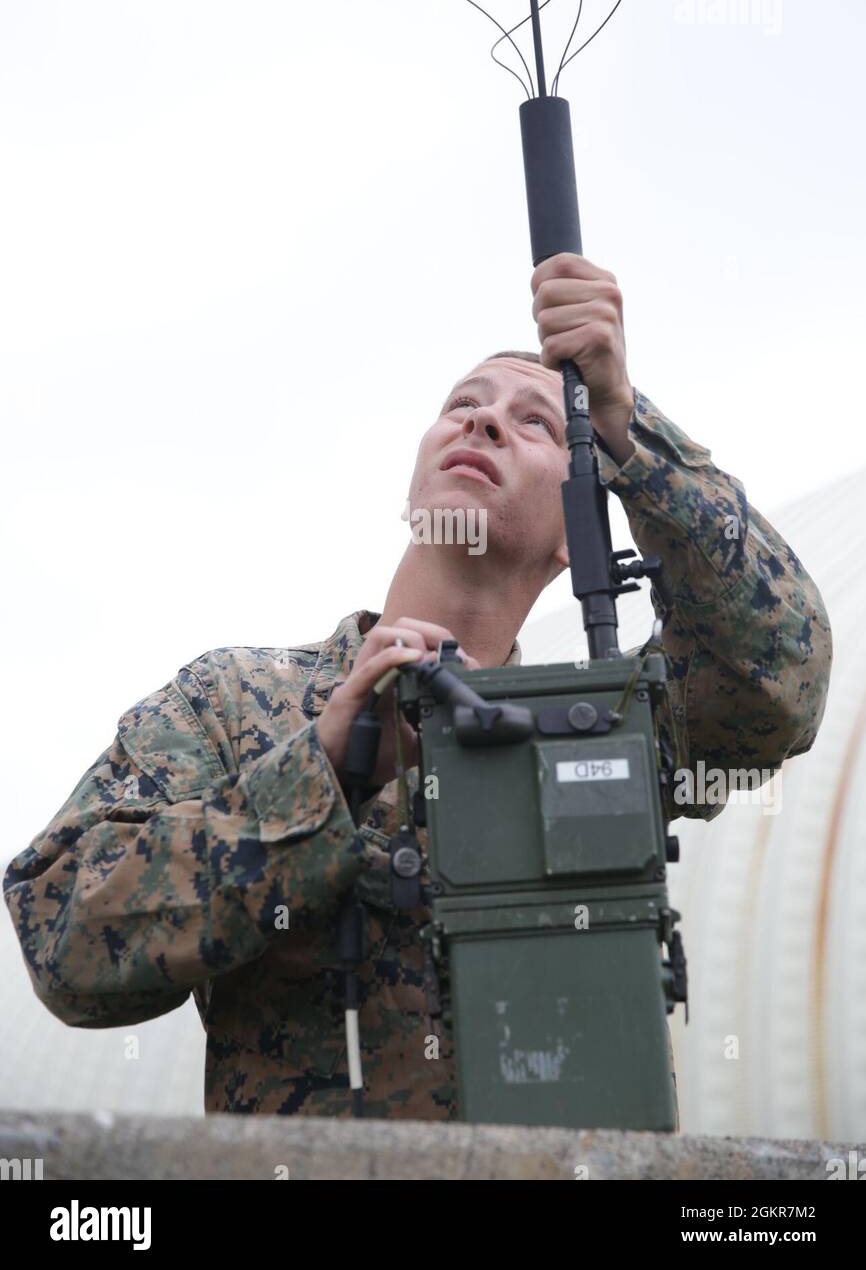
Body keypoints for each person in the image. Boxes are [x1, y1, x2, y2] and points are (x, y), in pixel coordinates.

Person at [4, 253, 832, 1120]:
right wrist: (324, 775)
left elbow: (781, 671)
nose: (483, 425)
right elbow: (64, 938)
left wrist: (627, 425)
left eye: (538, 425)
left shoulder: (601, 722)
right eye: (462, 408)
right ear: (414, 486)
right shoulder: (238, 703)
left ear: (577, 533)